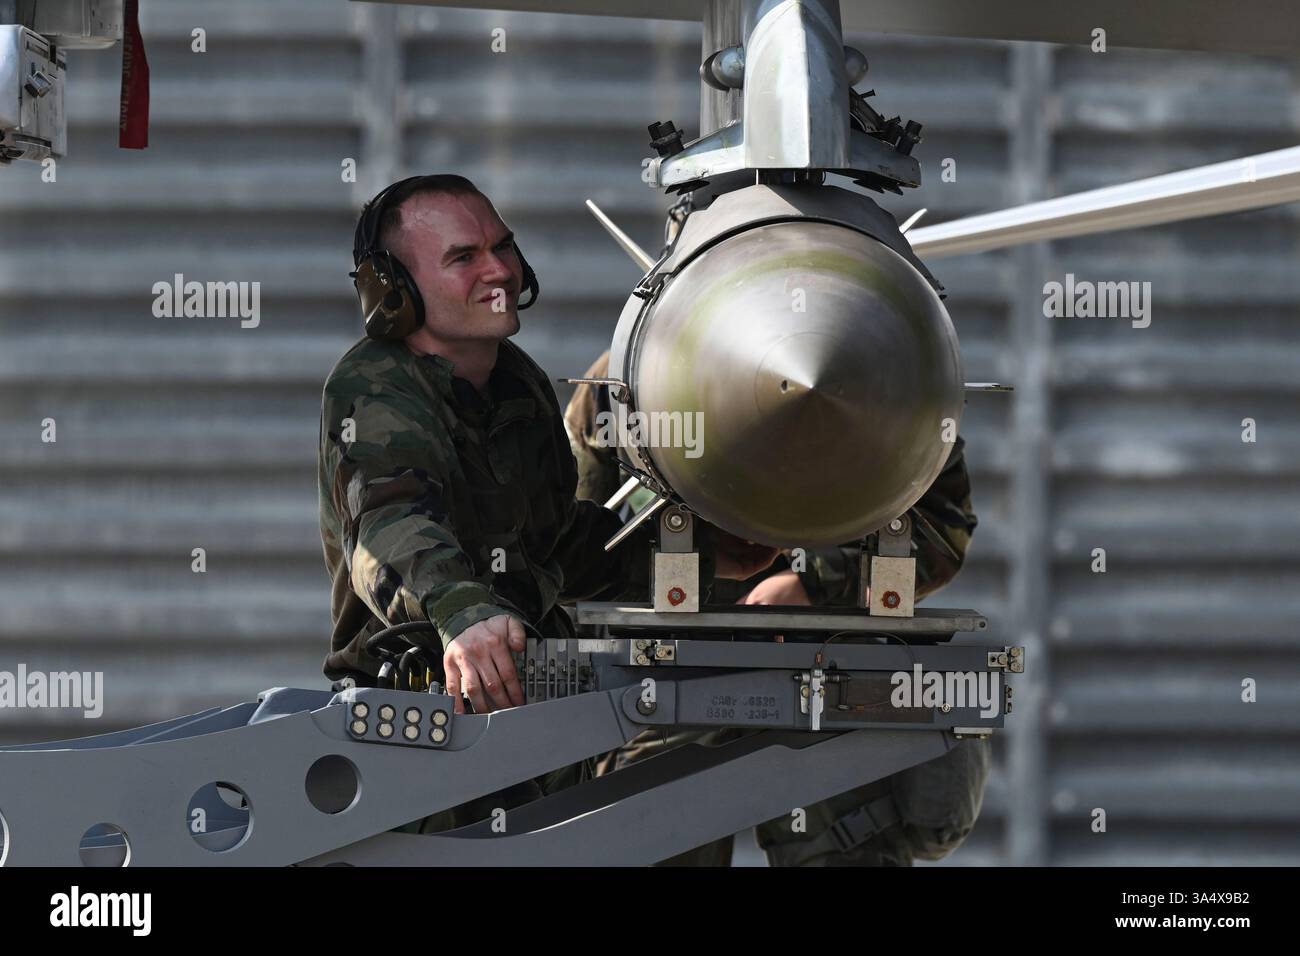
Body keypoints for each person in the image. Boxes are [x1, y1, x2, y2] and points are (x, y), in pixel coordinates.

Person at [317, 174, 777, 831]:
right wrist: (462, 614)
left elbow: (555, 544)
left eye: (503, 246)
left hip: (531, 720)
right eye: (464, 257)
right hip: (420, 729)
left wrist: (703, 558)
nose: (499, 270)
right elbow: (391, 524)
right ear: (392, 289)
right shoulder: (374, 387)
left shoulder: (517, 381)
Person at [565, 350, 991, 866]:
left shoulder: (886, 360)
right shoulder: (634, 370)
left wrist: (814, 580)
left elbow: (942, 531)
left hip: (829, 679)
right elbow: (575, 544)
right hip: (666, 684)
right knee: (654, 826)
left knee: (841, 839)